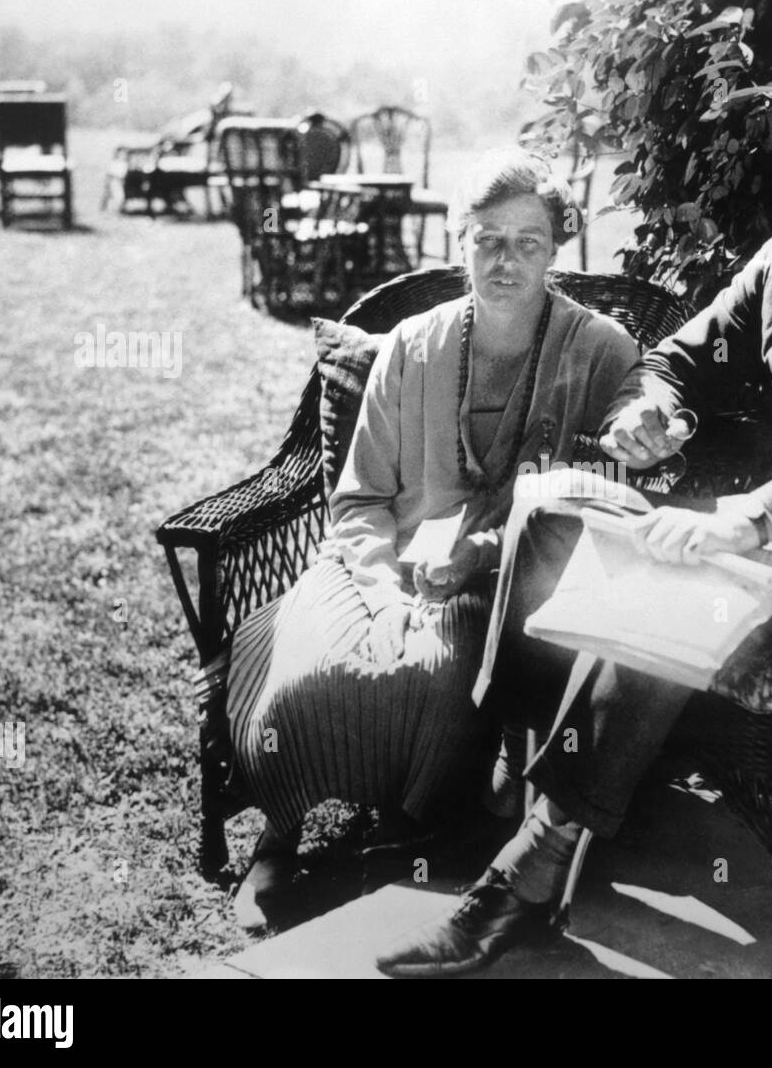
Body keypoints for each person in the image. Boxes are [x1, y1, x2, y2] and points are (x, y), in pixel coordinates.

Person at [375, 28, 772, 977]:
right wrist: (655, 408)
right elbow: (680, 357)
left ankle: (528, 869)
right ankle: (524, 782)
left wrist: (752, 512)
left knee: (682, 580)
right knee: (555, 505)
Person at [224, 149, 639, 931]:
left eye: (527, 240)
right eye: (485, 239)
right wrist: (382, 588)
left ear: (557, 248)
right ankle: (277, 837)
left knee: (444, 680)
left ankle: (422, 837)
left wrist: (474, 561)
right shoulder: (412, 344)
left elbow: (611, 489)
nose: (504, 259)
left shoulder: (601, 349)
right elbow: (358, 498)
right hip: (371, 561)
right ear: (458, 243)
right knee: (304, 675)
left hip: (498, 586)